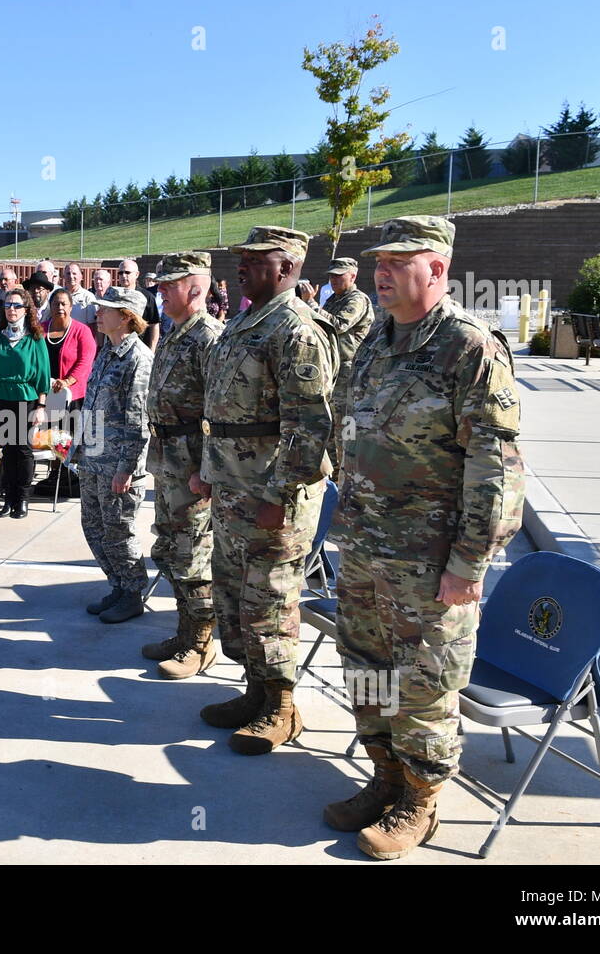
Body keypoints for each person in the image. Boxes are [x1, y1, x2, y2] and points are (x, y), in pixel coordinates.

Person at [326, 216, 524, 860]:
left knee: (425, 682)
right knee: (367, 669)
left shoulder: (469, 347)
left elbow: (495, 466)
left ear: (436, 269)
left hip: (430, 560)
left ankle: (421, 798)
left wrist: (470, 561)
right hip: (362, 547)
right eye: (376, 262)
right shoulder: (376, 341)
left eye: (396, 261)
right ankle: (384, 776)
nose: (380, 273)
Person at [190, 226, 335, 756]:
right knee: (234, 592)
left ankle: (281, 706)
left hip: (272, 493)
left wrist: (280, 495)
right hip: (232, 485)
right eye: (242, 259)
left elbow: (310, 425)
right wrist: (207, 469)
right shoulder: (246, 320)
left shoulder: (296, 329)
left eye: (255, 260)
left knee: (270, 599)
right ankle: (254, 691)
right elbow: (222, 411)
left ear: (288, 267)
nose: (242, 267)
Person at [140, 252, 223, 677]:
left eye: (169, 285)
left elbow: (219, 411)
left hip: (192, 467)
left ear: (196, 288)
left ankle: (201, 643)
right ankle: (184, 629)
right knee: (169, 549)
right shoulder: (175, 332)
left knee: (194, 556)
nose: (161, 292)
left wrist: (207, 470)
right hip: (168, 461)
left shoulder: (208, 336)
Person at [72, 287, 153, 623]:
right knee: (94, 527)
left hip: (118, 465)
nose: (98, 314)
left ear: (125, 317)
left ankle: (133, 593)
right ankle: (117, 585)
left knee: (119, 531)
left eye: (105, 309)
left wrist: (127, 469)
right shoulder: (107, 351)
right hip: (93, 458)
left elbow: (139, 421)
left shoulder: (138, 359)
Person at [0, 287, 49, 519]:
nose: (12, 310)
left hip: (26, 399)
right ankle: (7, 497)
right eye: (8, 305)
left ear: (26, 309)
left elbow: (42, 376)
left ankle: (22, 499)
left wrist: (41, 407)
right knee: (5, 451)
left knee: (21, 450)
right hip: (2, 398)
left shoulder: (35, 339)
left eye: (17, 305)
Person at [33, 287, 95, 499]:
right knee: (48, 434)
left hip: (73, 394)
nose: (59, 307)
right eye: (56, 303)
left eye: (63, 304)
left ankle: (70, 475)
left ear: (71, 307)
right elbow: (33, 359)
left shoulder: (82, 331)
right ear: (50, 307)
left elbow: (86, 361)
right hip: (44, 393)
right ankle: (55, 473)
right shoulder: (40, 330)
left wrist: (66, 381)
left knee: (67, 436)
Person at [315, 257, 375, 467]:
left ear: (353, 276)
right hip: (332, 370)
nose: (334, 280)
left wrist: (313, 305)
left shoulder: (356, 299)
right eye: (331, 276)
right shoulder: (334, 299)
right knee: (329, 423)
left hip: (349, 371)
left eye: (339, 276)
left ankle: (344, 472)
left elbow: (339, 324)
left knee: (344, 424)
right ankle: (332, 473)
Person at [115, 258, 160, 349]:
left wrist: (152, 350)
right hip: (115, 347)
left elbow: (154, 324)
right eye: (120, 273)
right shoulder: (112, 295)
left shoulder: (147, 297)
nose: (123, 275)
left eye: (127, 272)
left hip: (140, 348)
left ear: (137, 274)